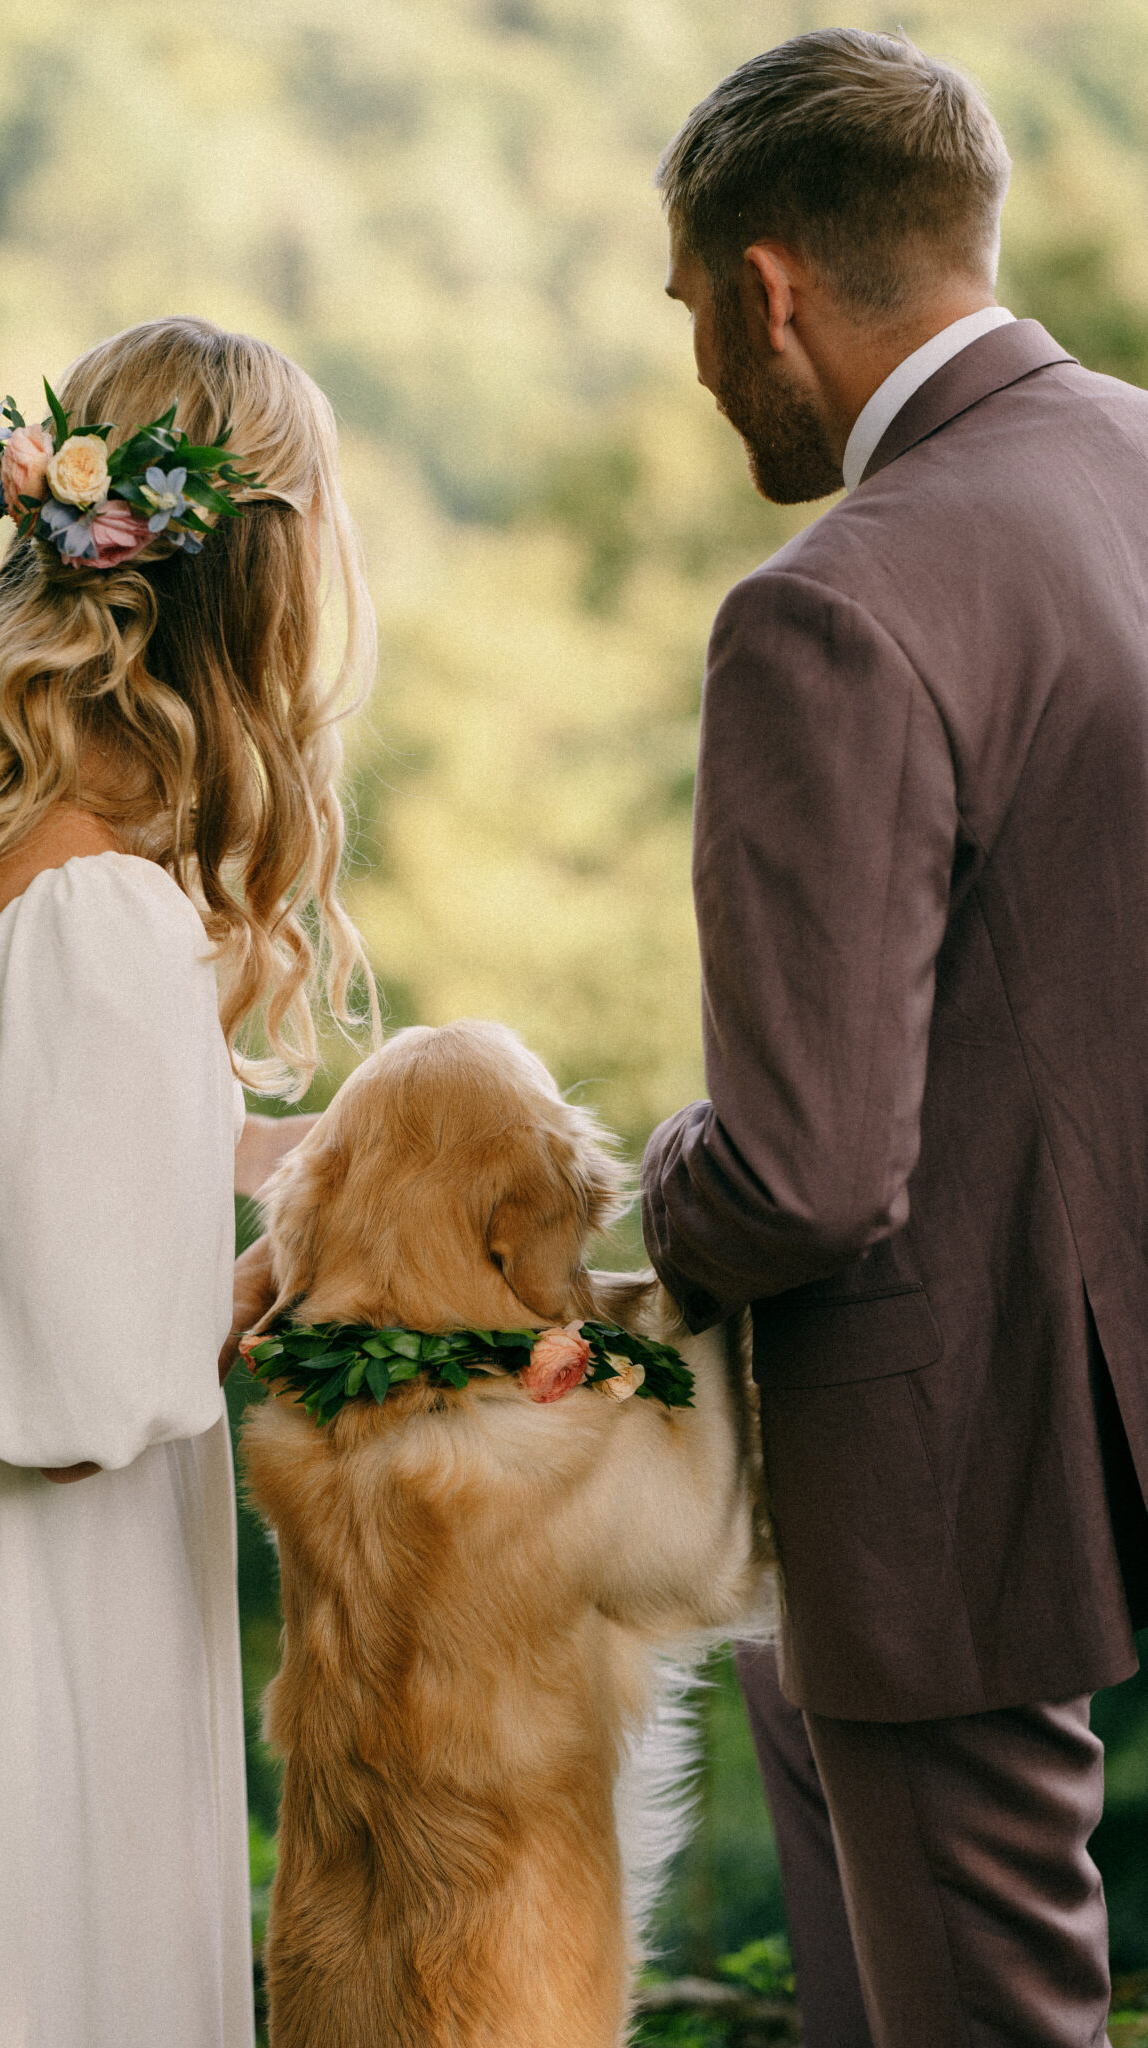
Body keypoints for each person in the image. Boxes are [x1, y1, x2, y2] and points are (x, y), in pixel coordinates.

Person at [0, 316, 374, 2048]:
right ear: (258, 572)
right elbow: (75, 1382)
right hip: (14, 1592)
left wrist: (303, 1159)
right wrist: (334, 1285)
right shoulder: (93, 903)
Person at [642, 29, 1148, 2048]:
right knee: (797, 1709)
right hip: (1096, 1329)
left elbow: (802, 1172)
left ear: (767, 285)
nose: (696, 365)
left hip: (965, 1419)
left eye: (689, 308)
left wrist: (638, 1199)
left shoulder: (827, 609)